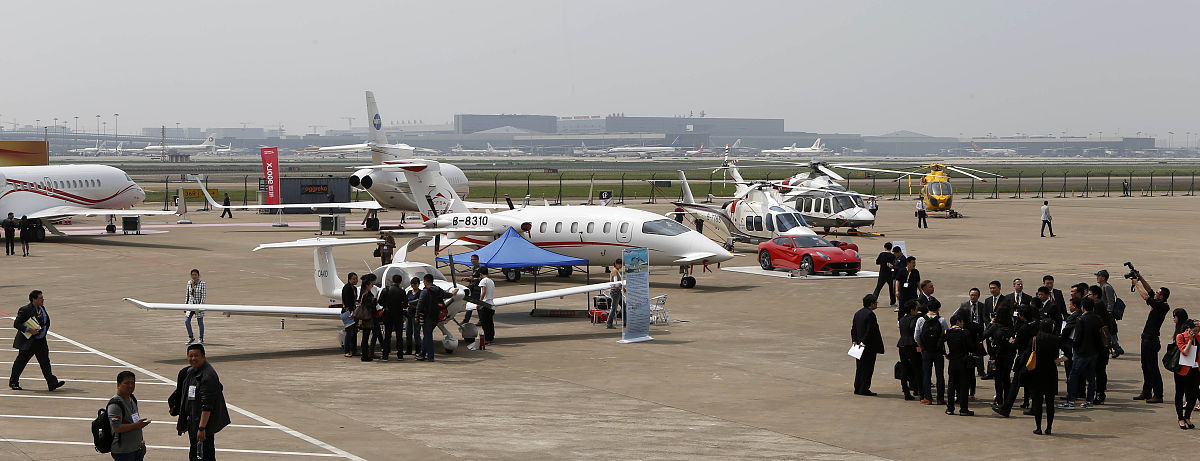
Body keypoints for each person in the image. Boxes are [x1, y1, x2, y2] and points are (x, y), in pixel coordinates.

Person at [168, 344, 230, 461]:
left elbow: (207, 406)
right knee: (195, 455)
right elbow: (187, 398)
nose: (193, 358)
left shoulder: (207, 376)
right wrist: (184, 421)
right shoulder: (191, 372)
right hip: (193, 423)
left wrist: (202, 428)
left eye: (196, 356)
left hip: (203, 427)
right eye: (190, 356)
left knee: (204, 455)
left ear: (203, 357)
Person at [8, 290, 65, 391]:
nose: (43, 300)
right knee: (21, 362)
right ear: (34, 299)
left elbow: (45, 321)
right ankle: (13, 382)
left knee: (45, 362)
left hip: (41, 341)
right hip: (29, 341)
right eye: (40, 298)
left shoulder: (41, 308)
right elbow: (17, 324)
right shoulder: (25, 310)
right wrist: (29, 330)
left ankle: (51, 383)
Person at [1132, 271, 1170, 403]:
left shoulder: (1162, 306)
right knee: (1145, 366)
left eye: (1158, 293)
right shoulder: (1159, 302)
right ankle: (1147, 391)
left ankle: (1158, 394)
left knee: (1153, 368)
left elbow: (1146, 296)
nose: (1155, 294)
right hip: (1146, 338)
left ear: (1162, 297)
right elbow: (1149, 291)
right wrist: (1141, 278)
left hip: (1151, 340)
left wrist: (1136, 284)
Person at [1061, 297, 1102, 409]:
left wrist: (1073, 347)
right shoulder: (1097, 318)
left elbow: (1078, 337)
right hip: (1093, 352)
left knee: (1073, 376)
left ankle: (1071, 401)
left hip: (1081, 352)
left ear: (1083, 307)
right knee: (1091, 377)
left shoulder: (1081, 319)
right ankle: (1089, 400)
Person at [1027, 320, 1067, 435]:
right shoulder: (1056, 340)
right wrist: (1059, 360)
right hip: (1050, 372)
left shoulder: (1034, 340)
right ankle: (1049, 428)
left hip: (1036, 373)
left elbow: (1028, 355)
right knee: (1050, 403)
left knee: (1038, 402)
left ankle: (1038, 427)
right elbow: (1069, 352)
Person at [108, 370, 149, 461]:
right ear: (118, 384)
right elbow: (117, 428)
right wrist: (137, 425)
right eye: (127, 383)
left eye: (133, 383)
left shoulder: (132, 399)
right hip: (124, 452)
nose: (130, 386)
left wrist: (141, 442)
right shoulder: (115, 404)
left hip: (136, 449)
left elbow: (136, 421)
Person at [914, 299, 948, 405]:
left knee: (926, 375)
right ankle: (940, 398)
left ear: (927, 308)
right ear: (938, 309)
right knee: (940, 375)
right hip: (938, 351)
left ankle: (927, 398)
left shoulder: (921, 320)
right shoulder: (941, 320)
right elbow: (946, 334)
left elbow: (916, 336)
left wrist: (922, 347)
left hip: (926, 351)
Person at [417, 274, 456, 362]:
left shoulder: (425, 291)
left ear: (426, 281)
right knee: (427, 335)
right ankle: (422, 354)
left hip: (427, 316)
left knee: (428, 336)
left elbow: (420, 304)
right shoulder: (438, 290)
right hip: (436, 316)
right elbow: (447, 295)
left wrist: (417, 314)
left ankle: (430, 356)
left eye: (424, 281)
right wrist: (453, 293)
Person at [850, 294, 884, 396]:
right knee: (868, 368)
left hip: (858, 346)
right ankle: (864, 388)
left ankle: (858, 387)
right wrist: (863, 342)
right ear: (871, 304)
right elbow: (870, 331)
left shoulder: (858, 313)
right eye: (875, 303)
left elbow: (853, 329)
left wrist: (855, 341)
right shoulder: (870, 315)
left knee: (860, 367)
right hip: (868, 346)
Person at [944, 312, 975, 415]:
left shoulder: (947, 332)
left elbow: (939, 343)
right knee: (964, 386)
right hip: (963, 361)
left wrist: (946, 354)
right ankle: (963, 409)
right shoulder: (964, 333)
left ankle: (950, 408)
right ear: (958, 322)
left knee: (951, 385)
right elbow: (971, 347)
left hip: (952, 361)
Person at [1172, 312, 1198, 429]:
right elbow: (1185, 352)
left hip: (1195, 370)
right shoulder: (1180, 336)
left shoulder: (1198, 336)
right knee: (1180, 394)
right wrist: (1190, 340)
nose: (1196, 332)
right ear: (1189, 329)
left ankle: (1187, 416)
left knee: (1193, 395)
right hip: (1182, 370)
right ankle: (1180, 418)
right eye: (1195, 330)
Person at [896, 300, 922, 401]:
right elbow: (914, 332)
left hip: (902, 344)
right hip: (911, 345)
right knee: (917, 368)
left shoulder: (902, 319)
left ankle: (906, 391)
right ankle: (919, 390)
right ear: (912, 310)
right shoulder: (915, 319)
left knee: (905, 368)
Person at [377, 274, 407, 361]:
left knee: (387, 335)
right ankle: (400, 355)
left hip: (388, 315)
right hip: (398, 315)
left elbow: (380, 302)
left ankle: (385, 355)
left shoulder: (386, 290)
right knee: (399, 336)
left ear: (392, 281)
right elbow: (405, 304)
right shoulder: (402, 291)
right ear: (400, 282)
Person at [1095, 270, 1124, 358]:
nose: (1097, 277)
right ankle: (1116, 348)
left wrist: (1109, 313)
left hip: (1107, 314)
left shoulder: (1106, 287)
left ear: (1103, 278)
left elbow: (1111, 301)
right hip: (1103, 313)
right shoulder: (1102, 286)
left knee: (1108, 332)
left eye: (1098, 276)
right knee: (1110, 332)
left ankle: (1117, 348)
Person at [356, 274, 379, 362]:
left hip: (365, 318)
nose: (372, 286)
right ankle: (365, 356)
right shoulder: (367, 295)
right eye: (371, 285)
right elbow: (370, 305)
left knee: (365, 337)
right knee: (365, 338)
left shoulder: (363, 293)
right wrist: (375, 300)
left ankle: (365, 355)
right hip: (367, 318)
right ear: (367, 285)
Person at [184, 269, 206, 345]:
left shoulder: (202, 284)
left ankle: (201, 338)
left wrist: (200, 307)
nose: (194, 276)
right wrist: (185, 305)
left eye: (195, 275)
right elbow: (187, 295)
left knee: (200, 322)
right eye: (192, 275)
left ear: (198, 275)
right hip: (190, 305)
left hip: (198, 306)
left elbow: (203, 296)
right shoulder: (189, 283)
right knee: (187, 321)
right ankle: (191, 337)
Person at [341, 272, 359, 357]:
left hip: (353, 312)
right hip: (348, 313)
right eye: (354, 279)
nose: (356, 280)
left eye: (356, 279)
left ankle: (354, 350)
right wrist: (351, 312)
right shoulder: (346, 288)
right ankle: (346, 351)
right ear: (349, 279)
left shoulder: (354, 288)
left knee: (354, 332)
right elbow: (347, 302)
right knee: (349, 332)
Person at [872, 242, 896, 307]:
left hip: (882, 274)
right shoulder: (893, 256)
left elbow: (877, 262)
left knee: (878, 288)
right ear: (891, 248)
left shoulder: (882, 254)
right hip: (890, 274)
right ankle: (892, 302)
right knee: (891, 289)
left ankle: (873, 301)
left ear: (885, 247)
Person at [477, 268, 496, 343]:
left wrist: (479, 302)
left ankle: (487, 339)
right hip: (491, 304)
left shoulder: (483, 281)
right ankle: (491, 338)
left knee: (485, 323)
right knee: (490, 323)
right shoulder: (491, 281)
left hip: (485, 304)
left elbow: (483, 291)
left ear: (481, 274)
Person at [405, 277, 422, 358]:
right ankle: (408, 349)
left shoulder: (420, 293)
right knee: (408, 332)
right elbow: (405, 301)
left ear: (418, 284)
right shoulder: (409, 292)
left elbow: (420, 302)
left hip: (416, 314)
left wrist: (412, 305)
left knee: (416, 332)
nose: (413, 285)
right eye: (412, 284)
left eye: (415, 284)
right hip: (409, 314)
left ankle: (418, 349)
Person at [606, 259, 626, 329]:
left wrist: (623, 289)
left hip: (618, 291)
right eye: (620, 264)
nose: (621, 266)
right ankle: (609, 323)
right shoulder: (614, 271)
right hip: (615, 291)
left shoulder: (617, 270)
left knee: (624, 306)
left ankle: (625, 322)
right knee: (614, 308)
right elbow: (615, 282)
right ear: (617, 264)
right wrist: (622, 288)